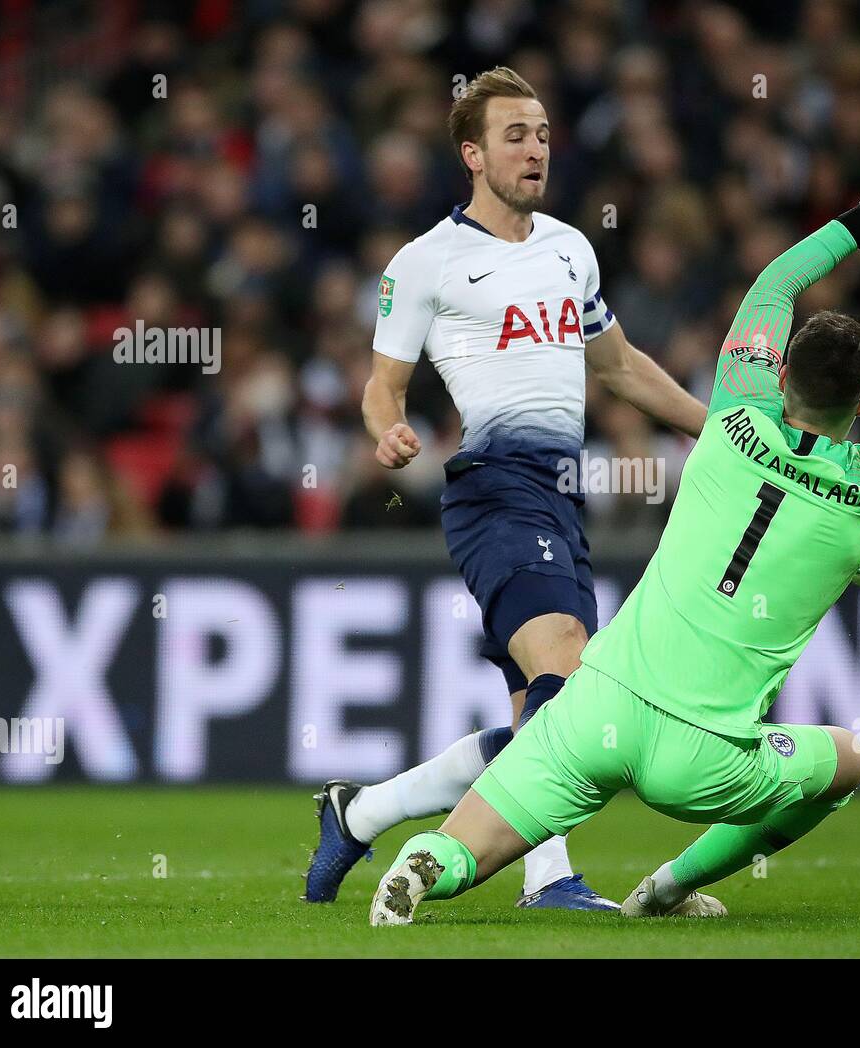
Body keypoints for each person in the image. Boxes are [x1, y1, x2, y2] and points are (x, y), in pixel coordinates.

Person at [365, 135, 860, 925]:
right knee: (847, 760)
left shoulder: (736, 409)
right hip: (703, 761)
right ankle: (667, 889)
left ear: (779, 376)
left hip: (600, 704)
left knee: (475, 842)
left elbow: (777, 283)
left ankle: (422, 864)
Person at [303, 67, 706, 910]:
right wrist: (388, 427)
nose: (536, 149)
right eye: (516, 135)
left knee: (547, 722)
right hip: (493, 491)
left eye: (545, 134)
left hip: (564, 495)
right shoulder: (425, 263)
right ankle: (549, 881)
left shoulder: (571, 248)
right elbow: (384, 383)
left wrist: (718, 431)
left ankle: (361, 810)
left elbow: (620, 367)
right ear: (473, 154)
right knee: (569, 669)